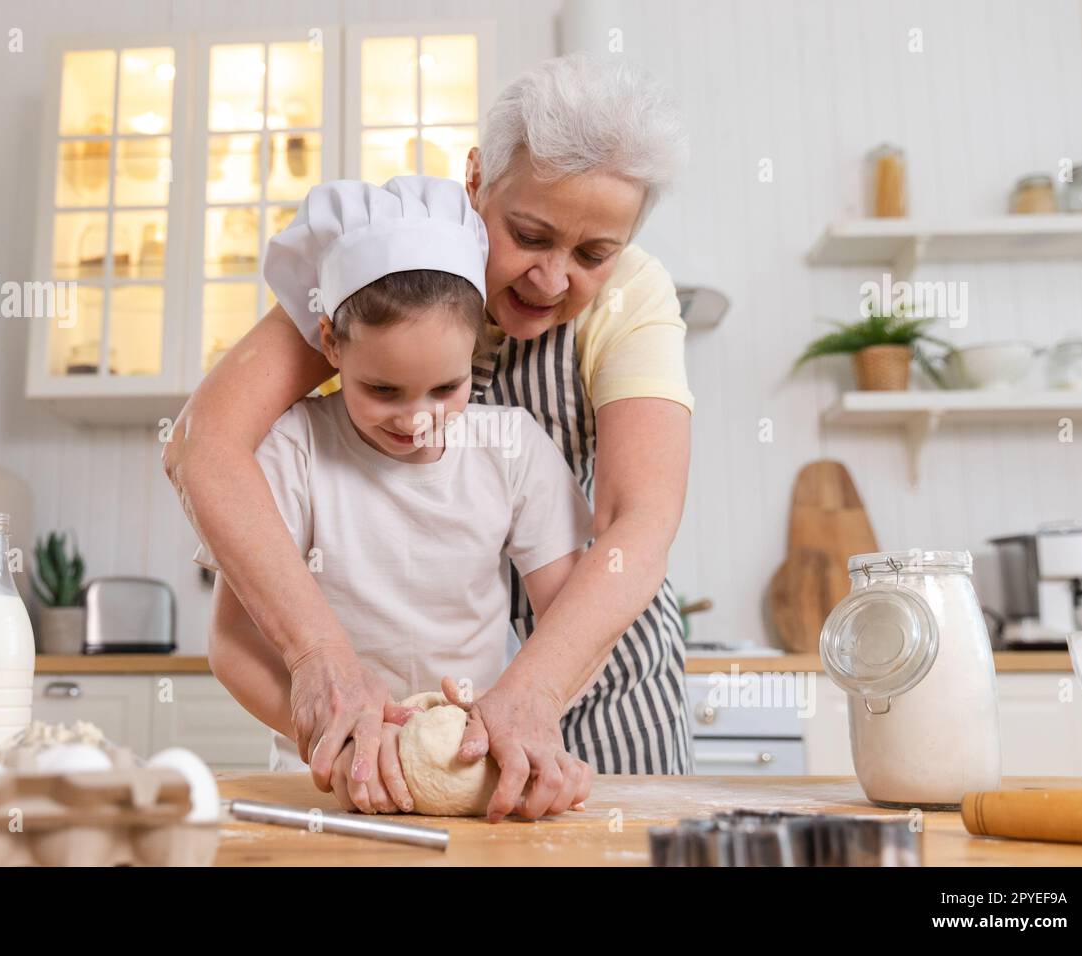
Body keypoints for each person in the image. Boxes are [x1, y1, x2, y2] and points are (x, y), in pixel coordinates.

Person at [166, 55, 695, 822]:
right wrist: (320, 663)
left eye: (592, 255)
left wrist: (538, 690)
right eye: (529, 234)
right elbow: (203, 445)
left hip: (593, 653)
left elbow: (636, 522)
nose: (551, 280)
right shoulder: (392, 268)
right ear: (476, 180)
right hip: (382, 710)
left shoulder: (634, 300)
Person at [190, 175, 596, 817]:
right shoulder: (293, 450)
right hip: (326, 792)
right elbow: (233, 645)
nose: (416, 419)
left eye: (446, 388)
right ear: (330, 344)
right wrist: (341, 740)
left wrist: (526, 715)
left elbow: (574, 618)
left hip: (476, 778)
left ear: (476, 349)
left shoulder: (512, 449)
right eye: (381, 390)